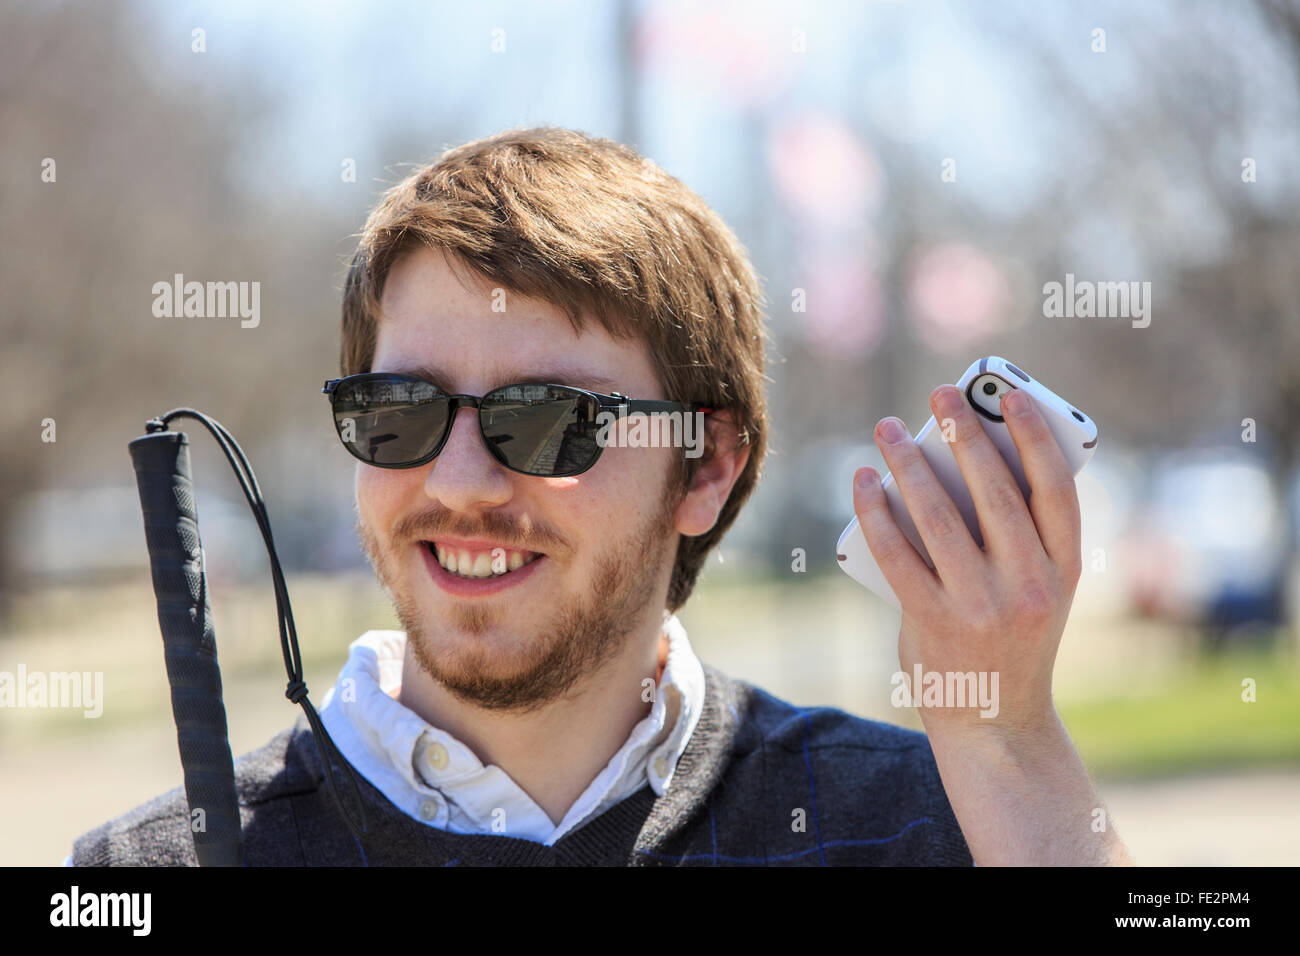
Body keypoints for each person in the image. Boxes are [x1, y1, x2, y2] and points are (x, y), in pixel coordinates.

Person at [71, 126, 1131, 866]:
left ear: (706, 466)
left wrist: (1008, 738)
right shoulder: (144, 868)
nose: (458, 480)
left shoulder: (929, 822)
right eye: (399, 410)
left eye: (546, 419)